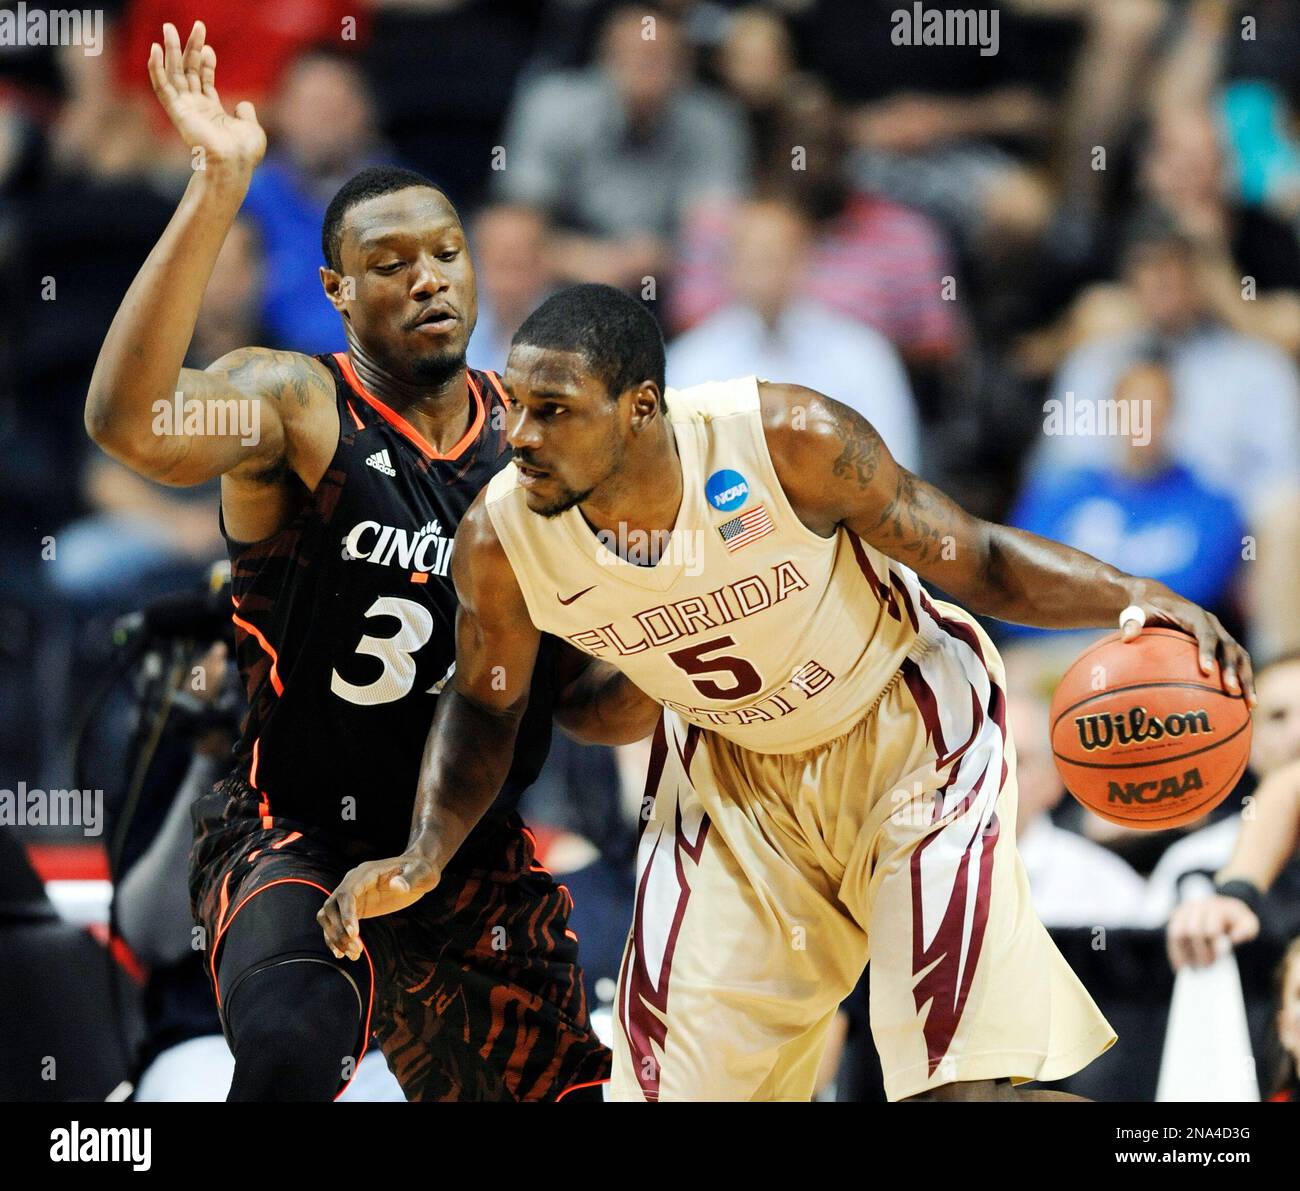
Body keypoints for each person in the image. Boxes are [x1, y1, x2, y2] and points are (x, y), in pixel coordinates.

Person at [320, 282, 1255, 1102]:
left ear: (641, 408)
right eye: (517, 406)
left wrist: (1135, 594)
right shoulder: (502, 539)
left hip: (906, 733)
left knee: (949, 1090)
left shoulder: (787, 440)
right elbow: (491, 703)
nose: (520, 435)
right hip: (732, 776)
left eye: (553, 410)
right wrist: (427, 849)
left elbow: (975, 557)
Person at [83, 22, 642, 1102]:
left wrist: (682, 662)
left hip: (466, 859)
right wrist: (216, 191)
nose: (429, 279)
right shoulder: (299, 404)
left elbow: (585, 704)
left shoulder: (537, 449)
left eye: (446, 254)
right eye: (390, 265)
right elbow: (131, 423)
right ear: (337, 291)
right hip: (295, 836)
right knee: (292, 1047)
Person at [1165, 650, 1300, 966]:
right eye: (1278, 717)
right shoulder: (1190, 861)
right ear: (1247, 743)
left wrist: (1236, 893)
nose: (1298, 734)